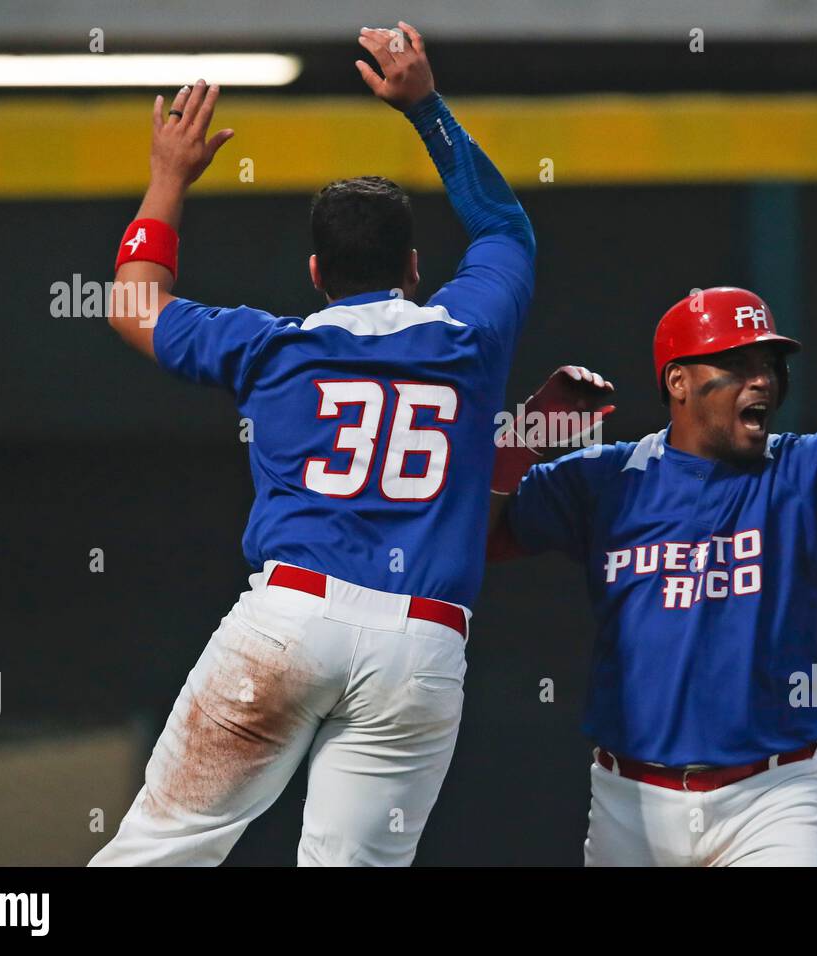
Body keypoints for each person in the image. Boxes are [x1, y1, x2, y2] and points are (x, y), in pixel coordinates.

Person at [92, 23, 536, 866]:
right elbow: (505, 230)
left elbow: (131, 305)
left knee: (162, 848)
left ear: (314, 272)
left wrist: (167, 178)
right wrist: (426, 109)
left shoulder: (274, 347)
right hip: (423, 643)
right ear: (412, 266)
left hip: (291, 620)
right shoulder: (469, 337)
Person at [488, 177, 817, 866]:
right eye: (735, 365)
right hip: (629, 799)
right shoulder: (605, 480)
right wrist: (525, 434)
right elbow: (472, 538)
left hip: (774, 795)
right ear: (678, 381)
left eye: (768, 365)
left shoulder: (804, 470)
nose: (761, 379)